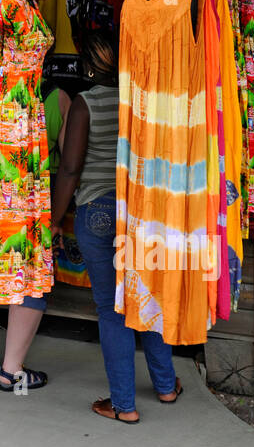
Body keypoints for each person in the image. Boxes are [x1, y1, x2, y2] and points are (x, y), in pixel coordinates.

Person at [50, 31, 182, 423]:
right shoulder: (138, 98)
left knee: (111, 310)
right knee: (148, 298)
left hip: (97, 212)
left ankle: (123, 405)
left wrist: (55, 220)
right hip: (138, 210)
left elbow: (71, 168)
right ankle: (166, 386)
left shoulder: (84, 105)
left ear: (89, 67)